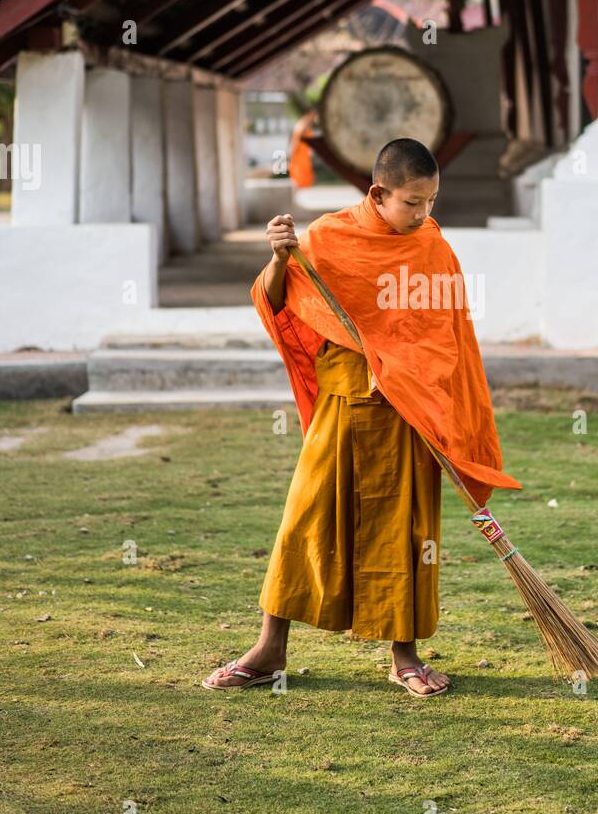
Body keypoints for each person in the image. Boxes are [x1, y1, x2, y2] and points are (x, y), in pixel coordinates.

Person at [202, 138, 520, 697]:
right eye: (412, 203)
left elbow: (449, 336)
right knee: (306, 519)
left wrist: (420, 383)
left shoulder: (434, 248)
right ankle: (269, 648)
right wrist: (279, 258)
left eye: (431, 202)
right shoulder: (328, 238)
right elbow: (276, 303)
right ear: (378, 193)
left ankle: (406, 655)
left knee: (408, 531)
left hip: (409, 412)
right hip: (344, 403)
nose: (423, 215)